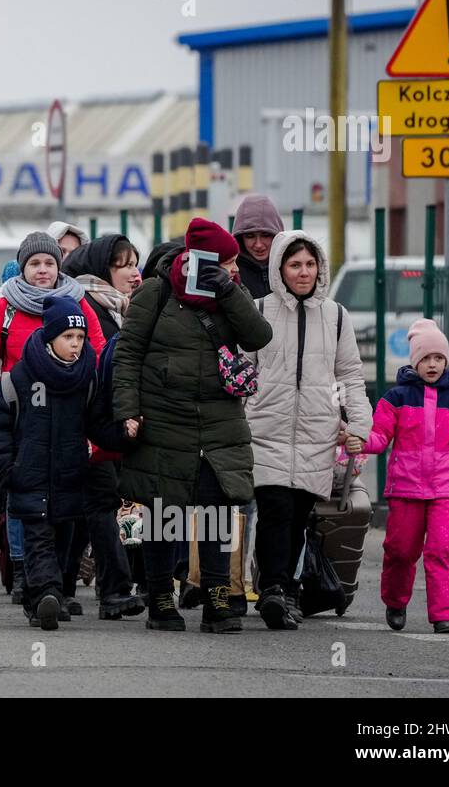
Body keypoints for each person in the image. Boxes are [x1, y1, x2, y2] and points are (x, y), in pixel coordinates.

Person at [111, 217, 272, 633]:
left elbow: (258, 336)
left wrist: (228, 289)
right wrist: (127, 410)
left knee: (219, 509)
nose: (235, 269)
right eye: (227, 262)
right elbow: (127, 354)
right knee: (165, 513)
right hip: (165, 419)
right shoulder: (156, 291)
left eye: (234, 264)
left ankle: (218, 599)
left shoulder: (230, 292)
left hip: (220, 421)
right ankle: (161, 599)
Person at [0, 230, 106, 604]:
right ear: (23, 267)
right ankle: (22, 575)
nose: (43, 270)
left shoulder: (79, 303)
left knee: (64, 505)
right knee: (21, 500)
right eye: (35, 264)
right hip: (19, 420)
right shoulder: (5, 307)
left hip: (69, 422)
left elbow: (99, 358)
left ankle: (57, 581)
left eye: (49, 263)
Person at [245, 232, 372, 629]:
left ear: (320, 268)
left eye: (310, 264)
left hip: (316, 433)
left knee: (300, 515)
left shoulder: (336, 316)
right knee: (274, 510)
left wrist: (359, 424)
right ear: (279, 269)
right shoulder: (259, 309)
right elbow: (240, 368)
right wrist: (246, 411)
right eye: (295, 264)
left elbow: (350, 374)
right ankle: (274, 590)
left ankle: (287, 589)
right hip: (266, 428)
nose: (303, 272)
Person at [0, 295, 130, 629]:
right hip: (29, 479)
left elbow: (97, 426)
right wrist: (9, 472)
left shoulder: (86, 380)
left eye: (80, 338)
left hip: (69, 480)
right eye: (68, 337)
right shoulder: (18, 379)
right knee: (39, 542)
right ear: (50, 337)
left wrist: (123, 433)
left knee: (64, 545)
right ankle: (46, 594)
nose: (76, 345)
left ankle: (48, 599)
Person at [361, 319, 449, 634]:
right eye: (425, 359)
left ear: (446, 361)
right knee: (401, 549)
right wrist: (358, 440)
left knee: (444, 549)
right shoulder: (396, 398)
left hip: (446, 489)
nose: (432, 365)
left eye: (438, 358)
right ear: (415, 361)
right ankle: (395, 600)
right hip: (405, 487)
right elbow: (379, 436)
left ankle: (445, 615)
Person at [61, 233, 147, 617]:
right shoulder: (84, 307)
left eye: (135, 263)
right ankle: (113, 590)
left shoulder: (118, 308)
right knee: (101, 501)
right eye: (124, 264)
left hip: (108, 423)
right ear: (101, 270)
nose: (133, 272)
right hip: (86, 424)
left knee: (87, 508)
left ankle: (59, 587)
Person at [231, 194, 284, 300]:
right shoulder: (230, 273)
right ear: (240, 238)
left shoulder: (291, 267)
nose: (258, 244)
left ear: (277, 235)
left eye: (265, 235)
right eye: (250, 236)